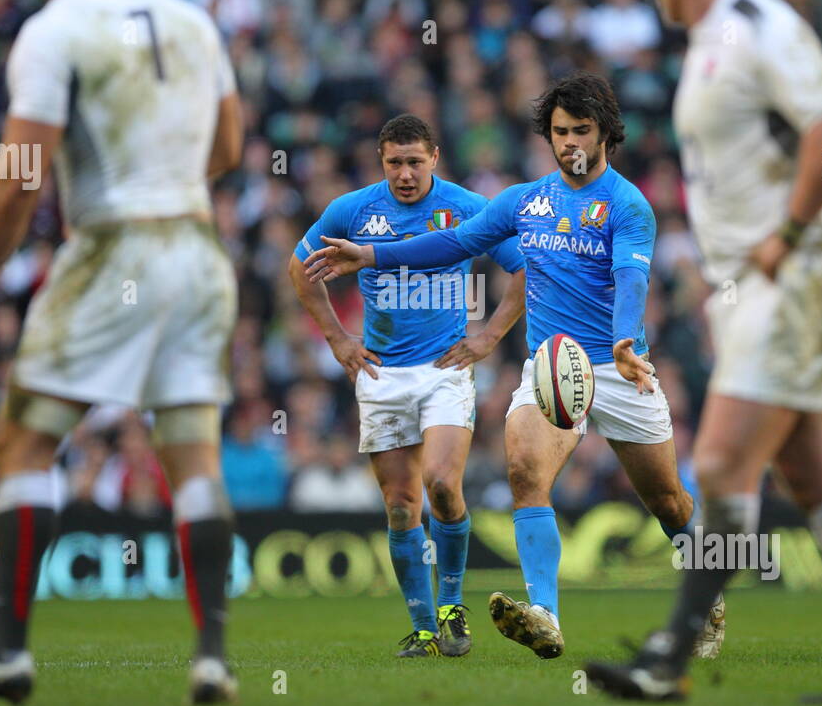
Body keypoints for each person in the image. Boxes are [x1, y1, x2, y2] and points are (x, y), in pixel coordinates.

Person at [0, 0, 244, 705]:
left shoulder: (50, 33)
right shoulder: (189, 16)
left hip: (116, 247)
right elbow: (226, 149)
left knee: (21, 443)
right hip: (198, 249)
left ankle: (5, 653)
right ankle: (214, 658)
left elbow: (20, 176)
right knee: (193, 457)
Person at [584, 0, 822, 704]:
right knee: (818, 481)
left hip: (793, 279)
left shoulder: (755, 21)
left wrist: (788, 235)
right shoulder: (715, 39)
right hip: (760, 285)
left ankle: (667, 659)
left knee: (723, 462)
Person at [305, 74, 722, 661]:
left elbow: (632, 279)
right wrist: (371, 254)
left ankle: (708, 592)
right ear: (546, 136)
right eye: (559, 131)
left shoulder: (628, 205)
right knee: (526, 474)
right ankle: (545, 614)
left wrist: (627, 341)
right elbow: (451, 243)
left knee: (669, 503)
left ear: (606, 133)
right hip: (551, 366)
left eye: (581, 130)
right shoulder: (524, 201)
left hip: (618, 367)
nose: (570, 142)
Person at [289, 114, 527, 657]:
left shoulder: (466, 207)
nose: (405, 174)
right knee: (401, 507)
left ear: (435, 158)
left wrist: (489, 337)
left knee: (442, 485)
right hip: (380, 374)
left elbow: (523, 270)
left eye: (415, 161)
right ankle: (422, 629)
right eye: (394, 162)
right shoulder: (352, 210)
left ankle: (451, 608)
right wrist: (339, 340)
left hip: (445, 372)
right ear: (381, 160)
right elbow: (299, 268)